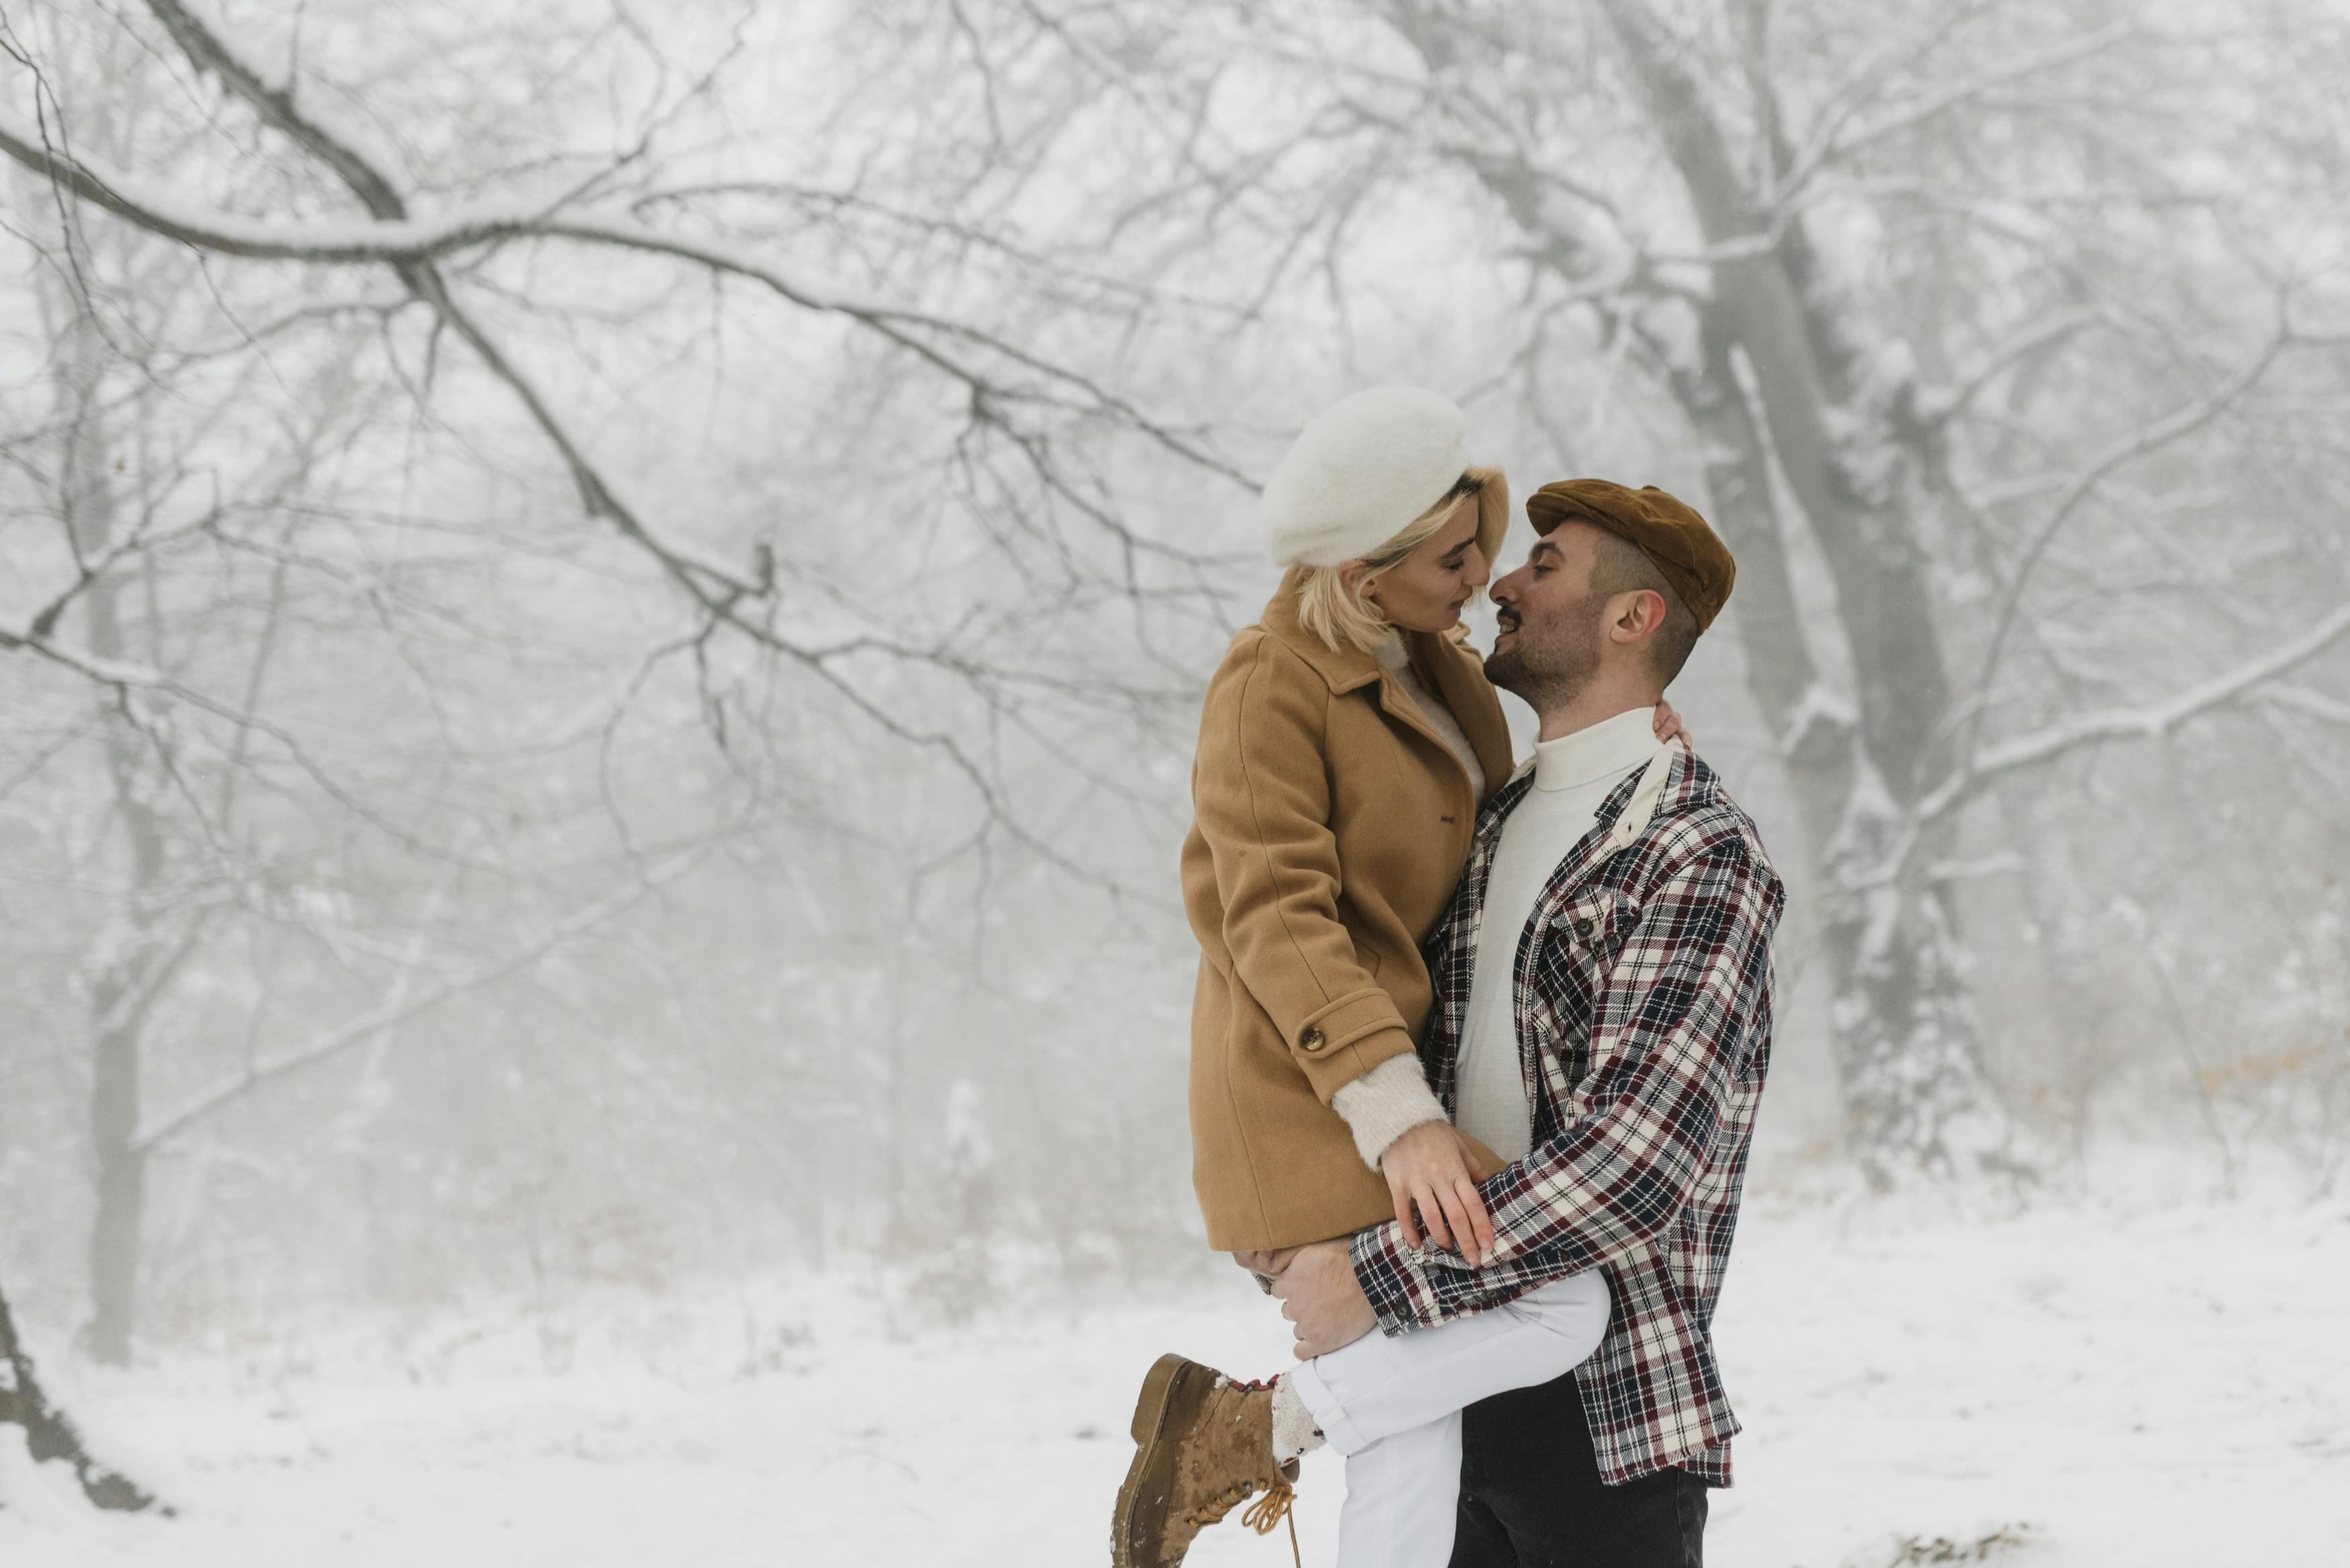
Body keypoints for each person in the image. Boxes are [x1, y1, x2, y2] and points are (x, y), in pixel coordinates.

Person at [1108, 392, 1683, 1568]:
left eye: (1483, 544)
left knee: (1415, 1449)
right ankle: (1248, 1431)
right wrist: (1401, 1122)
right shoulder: (1269, 682)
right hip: (1309, 1091)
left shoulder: (1426, 656)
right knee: (1561, 1305)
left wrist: (1636, 745)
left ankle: (1249, 1428)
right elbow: (1277, 915)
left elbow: (1490, 820)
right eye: (1453, 559)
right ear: (1363, 577)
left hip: (1388, 1084)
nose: (1483, 578)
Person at [1264, 479, 1785, 1568]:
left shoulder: (1696, 853)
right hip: (1437, 1388)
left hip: (1600, 1418)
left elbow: (1636, 1163)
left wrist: (1377, 1279)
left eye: (1546, 566)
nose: (1502, 581)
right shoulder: (1488, 818)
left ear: (1632, 617)